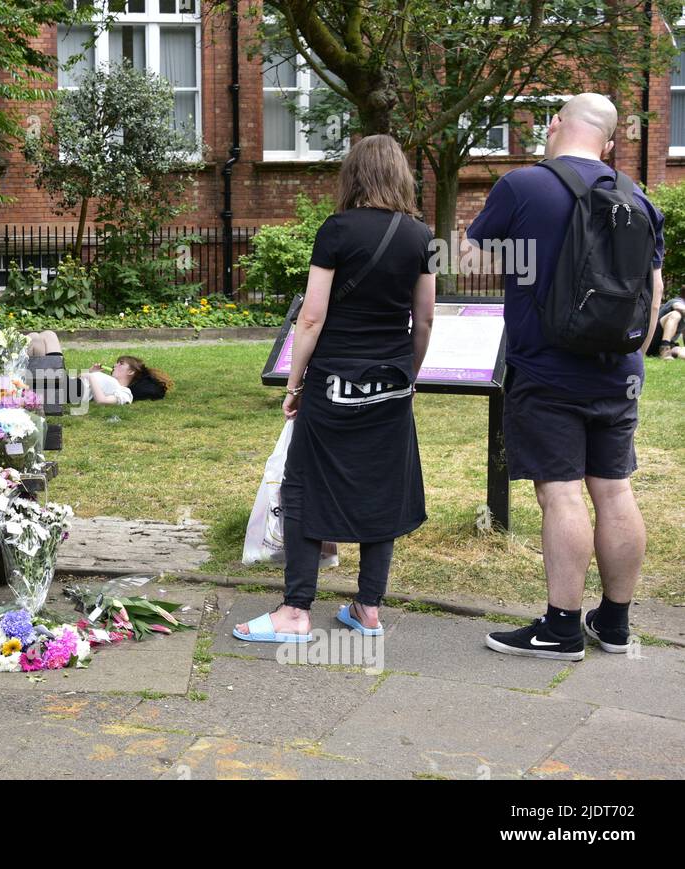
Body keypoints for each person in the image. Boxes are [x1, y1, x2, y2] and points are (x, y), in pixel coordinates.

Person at [466, 93, 665, 661]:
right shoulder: (639, 199)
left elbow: (474, 262)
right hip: (618, 371)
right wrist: (634, 359)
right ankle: (617, 623)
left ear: (554, 126)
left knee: (561, 494)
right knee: (615, 489)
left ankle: (559, 628)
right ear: (607, 144)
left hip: (547, 369)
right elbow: (650, 297)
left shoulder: (522, 186)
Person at [234, 134, 436, 644]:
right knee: (381, 488)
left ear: (354, 176)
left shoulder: (336, 230)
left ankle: (296, 611)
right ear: (400, 176)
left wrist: (295, 382)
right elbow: (426, 318)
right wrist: (407, 377)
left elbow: (312, 316)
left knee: (302, 484)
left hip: (334, 381)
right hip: (390, 383)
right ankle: (368, 608)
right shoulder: (422, 236)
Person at [25, 330, 171, 405]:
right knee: (37, 337)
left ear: (131, 371)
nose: (115, 365)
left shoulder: (125, 392)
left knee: (43, 337)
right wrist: (91, 373)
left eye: (121, 363)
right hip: (64, 384)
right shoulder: (108, 380)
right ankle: (19, 378)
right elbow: (80, 382)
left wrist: (90, 377)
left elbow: (101, 401)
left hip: (63, 390)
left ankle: (17, 377)